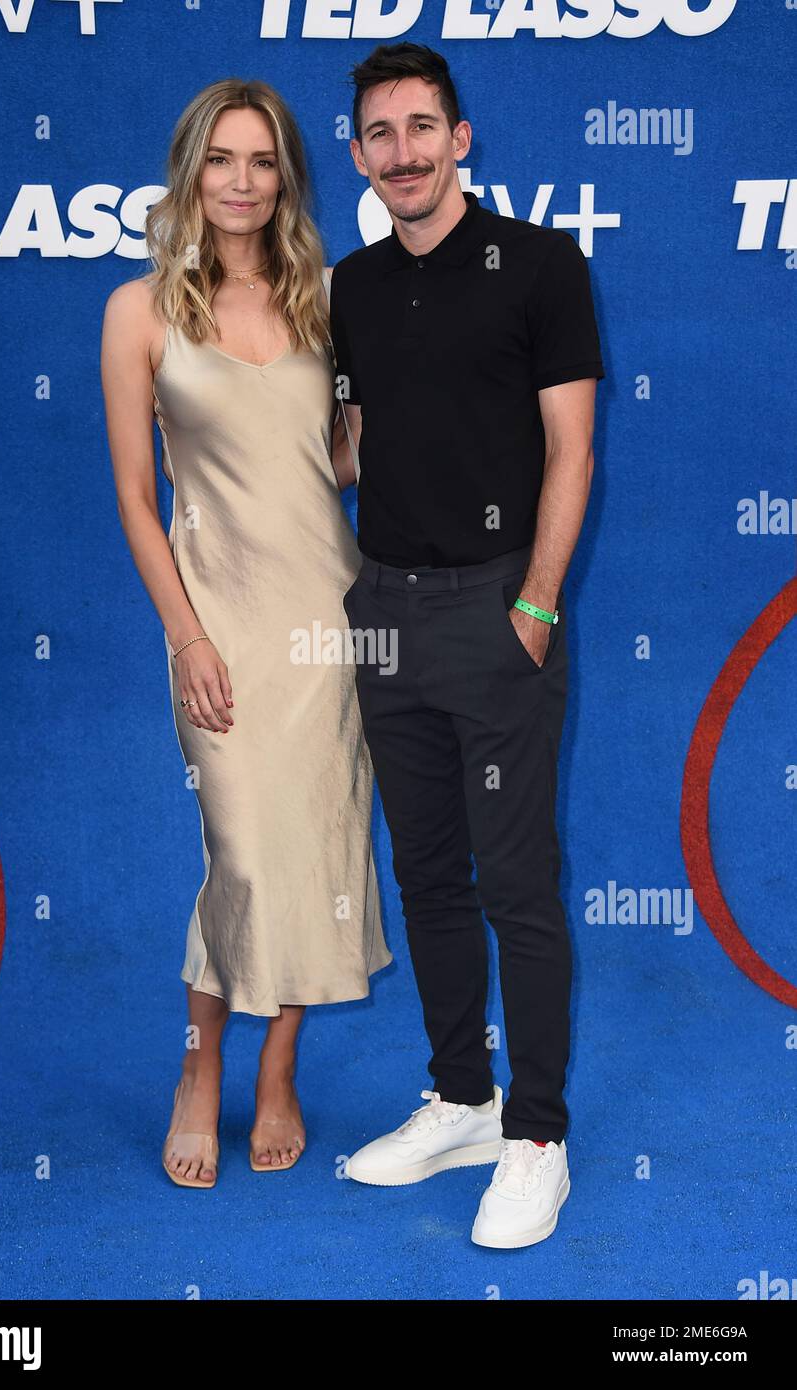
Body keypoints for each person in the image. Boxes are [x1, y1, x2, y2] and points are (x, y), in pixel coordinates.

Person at [329, 43, 605, 1247]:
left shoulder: (541, 265)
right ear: (358, 154)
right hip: (381, 612)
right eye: (379, 133)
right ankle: (462, 1097)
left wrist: (536, 602)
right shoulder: (349, 283)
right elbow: (346, 449)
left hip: (499, 609)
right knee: (426, 873)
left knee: (517, 883)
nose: (402, 151)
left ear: (462, 137)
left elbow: (571, 450)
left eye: (420, 127)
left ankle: (536, 1135)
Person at [100, 79, 392, 1189]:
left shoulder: (325, 295)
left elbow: (337, 460)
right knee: (242, 856)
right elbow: (135, 494)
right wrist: (186, 636)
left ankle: (275, 1072)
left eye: (261, 160)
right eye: (219, 158)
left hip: (330, 622)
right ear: (190, 170)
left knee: (316, 852)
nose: (239, 180)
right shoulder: (139, 313)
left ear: (285, 178)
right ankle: (199, 1063)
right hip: (218, 622)